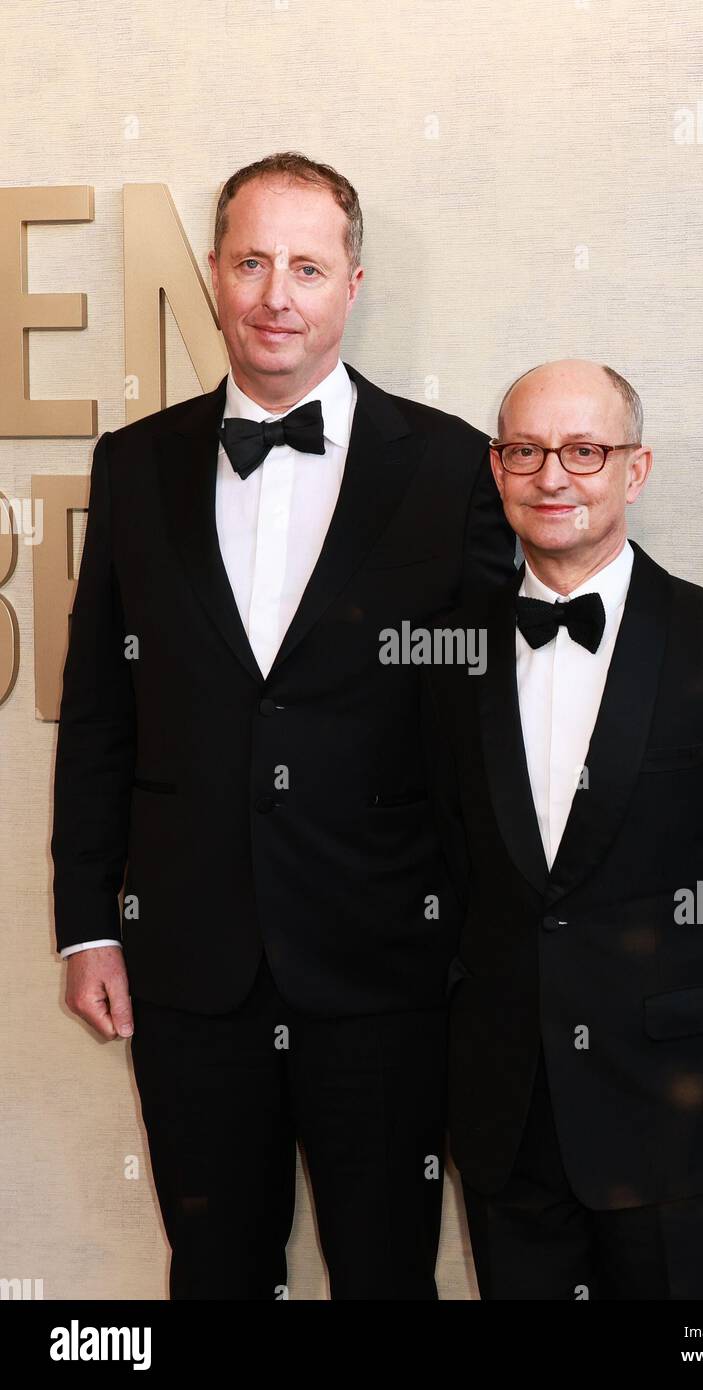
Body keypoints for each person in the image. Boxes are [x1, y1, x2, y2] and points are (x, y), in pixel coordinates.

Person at [50, 151, 516, 1300]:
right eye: (252, 261)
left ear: (351, 284)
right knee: (213, 1267)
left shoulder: (453, 465)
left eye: (306, 266)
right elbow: (101, 708)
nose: (276, 294)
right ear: (213, 273)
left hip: (386, 960)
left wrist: (486, 936)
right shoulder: (134, 464)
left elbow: (490, 727)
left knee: (384, 1272)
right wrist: (84, 922)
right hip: (186, 957)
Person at [422, 358, 703, 1300]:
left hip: (681, 1113)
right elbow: (435, 854)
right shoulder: (448, 652)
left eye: (584, 450)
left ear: (636, 469)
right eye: (525, 451)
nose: (552, 476)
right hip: (507, 1117)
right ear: (497, 471)